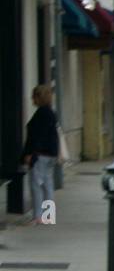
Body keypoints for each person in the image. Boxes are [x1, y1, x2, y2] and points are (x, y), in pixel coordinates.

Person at [22, 85, 60, 226]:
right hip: (50, 154)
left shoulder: (41, 114)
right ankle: (48, 216)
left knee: (36, 185)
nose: (32, 99)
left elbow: (37, 136)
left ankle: (37, 216)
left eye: (34, 96)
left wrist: (30, 153)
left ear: (39, 97)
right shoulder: (51, 113)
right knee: (47, 185)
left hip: (40, 155)